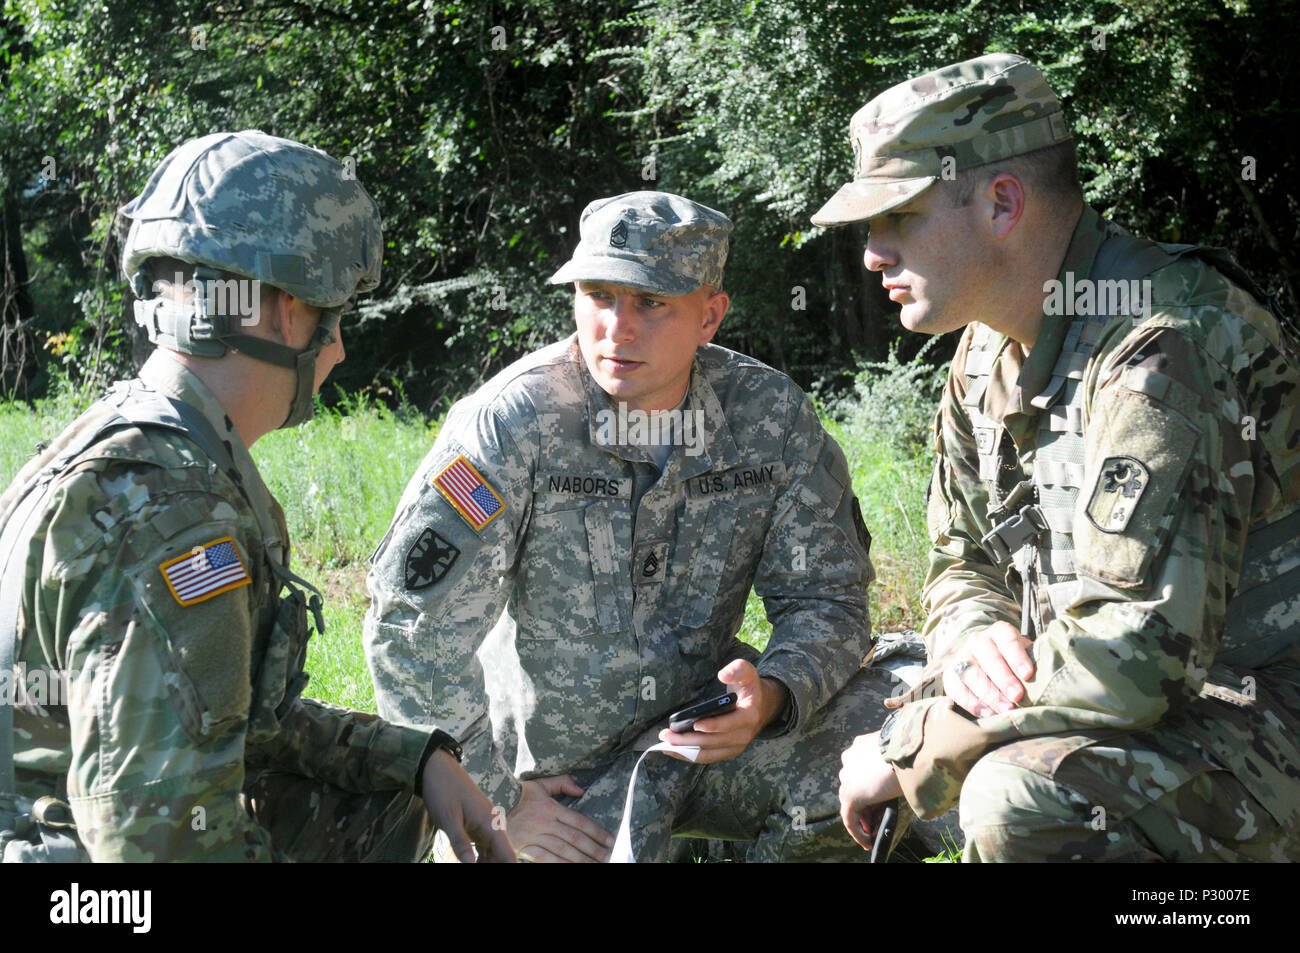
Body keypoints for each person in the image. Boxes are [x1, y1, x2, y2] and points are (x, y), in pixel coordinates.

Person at [821, 53, 1300, 861]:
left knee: (1021, 798)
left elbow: (1130, 659)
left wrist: (915, 747)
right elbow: (960, 557)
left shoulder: (1162, 349)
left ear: (1002, 203)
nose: (872, 253)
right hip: (1141, 715)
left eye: (896, 216)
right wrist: (976, 643)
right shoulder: (985, 352)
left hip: (1255, 719)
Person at [0, 130, 514, 863]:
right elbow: (160, 850)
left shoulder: (150, 445)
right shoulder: (176, 514)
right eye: (333, 315)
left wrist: (416, 759)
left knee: (384, 795)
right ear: (282, 310)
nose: (336, 348)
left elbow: (235, 723)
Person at [364, 190, 895, 862]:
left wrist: (774, 694)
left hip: (701, 739)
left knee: (880, 751)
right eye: (599, 295)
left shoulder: (769, 417)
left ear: (709, 315)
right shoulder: (514, 425)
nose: (617, 327)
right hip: (553, 787)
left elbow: (828, 596)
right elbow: (412, 624)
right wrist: (497, 797)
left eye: (650, 302)